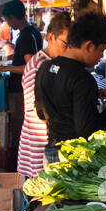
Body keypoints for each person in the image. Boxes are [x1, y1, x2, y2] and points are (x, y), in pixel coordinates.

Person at [34, 11, 106, 159]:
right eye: (101, 50)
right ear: (89, 46)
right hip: (75, 158)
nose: (101, 57)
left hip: (51, 152)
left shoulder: (45, 68)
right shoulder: (82, 78)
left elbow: (40, 112)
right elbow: (88, 130)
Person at [18, 13, 70, 180]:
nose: (68, 50)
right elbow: (40, 106)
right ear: (50, 37)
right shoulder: (41, 65)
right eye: (65, 44)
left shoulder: (52, 63)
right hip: (39, 142)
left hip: (43, 140)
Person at [3, 0, 42, 66]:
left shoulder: (26, 37)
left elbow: (30, 66)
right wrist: (4, 59)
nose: (8, 24)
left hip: (22, 76)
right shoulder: (34, 30)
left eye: (7, 20)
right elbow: (21, 56)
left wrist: (5, 68)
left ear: (12, 17)